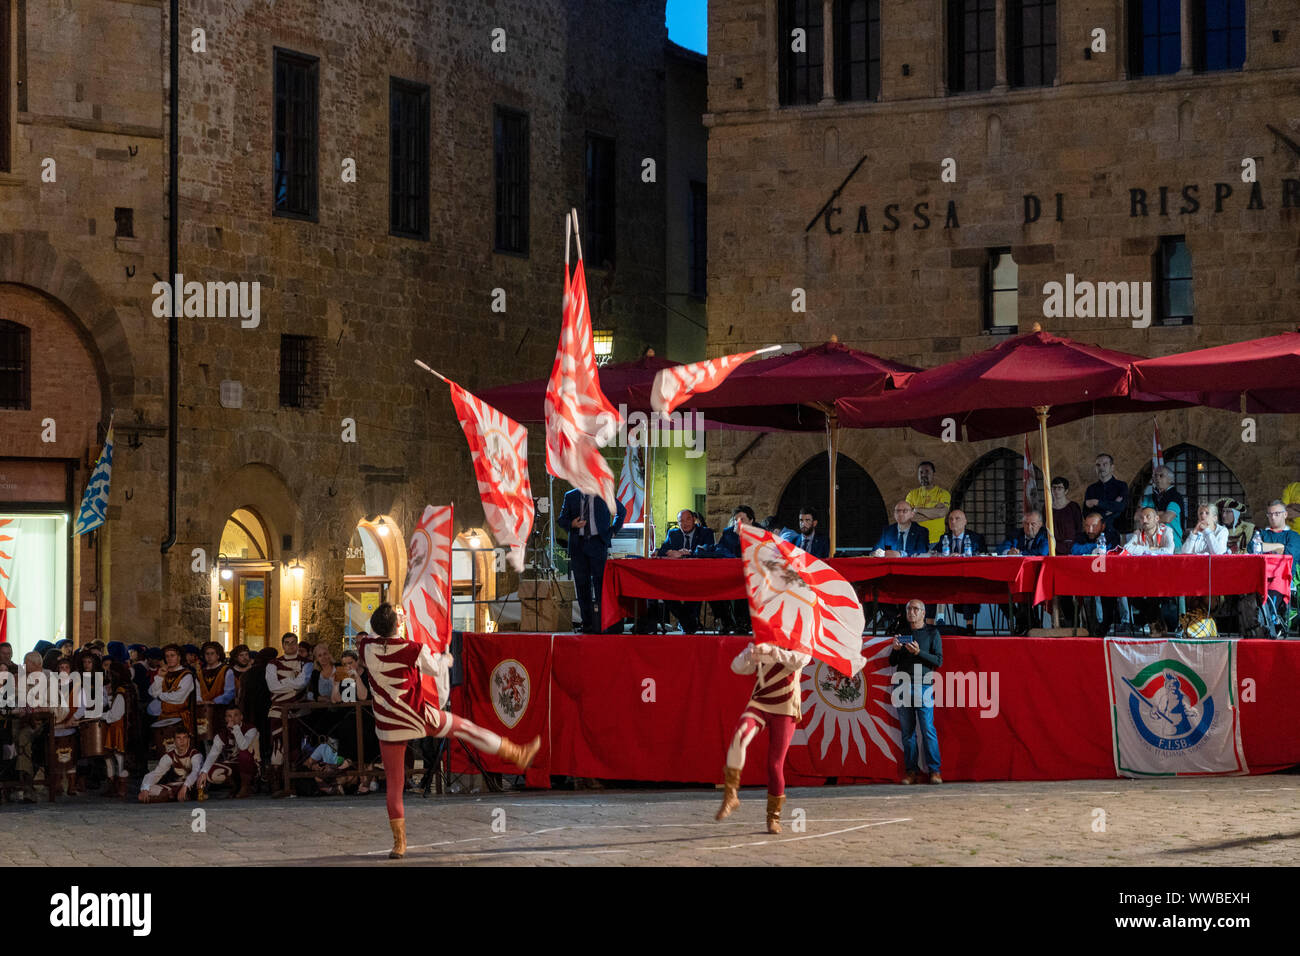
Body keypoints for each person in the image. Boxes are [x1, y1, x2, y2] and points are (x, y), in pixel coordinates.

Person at [361, 602, 539, 859]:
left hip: (388, 723)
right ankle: (514, 752)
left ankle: (399, 844)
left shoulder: (366, 646)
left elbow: (380, 634)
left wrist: (398, 620)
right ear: (397, 625)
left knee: (394, 785)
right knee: (466, 728)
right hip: (417, 716)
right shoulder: (412, 649)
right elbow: (434, 667)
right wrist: (445, 657)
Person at [714, 640, 812, 834]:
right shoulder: (763, 638)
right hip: (760, 703)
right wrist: (750, 655)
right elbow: (737, 667)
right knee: (739, 736)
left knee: (775, 764)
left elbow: (799, 661)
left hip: (786, 706)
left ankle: (773, 816)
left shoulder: (800, 637)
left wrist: (773, 652)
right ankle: (731, 793)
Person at [557, 487, 627, 633]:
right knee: (582, 586)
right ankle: (587, 623)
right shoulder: (570, 495)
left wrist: (613, 531)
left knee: (601, 586)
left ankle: (603, 622)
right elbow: (561, 519)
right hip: (578, 546)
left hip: (597, 544)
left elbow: (622, 511)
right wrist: (572, 524)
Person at [891, 599, 942, 785]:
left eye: (915, 609)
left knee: (928, 730)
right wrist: (895, 650)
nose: (911, 612)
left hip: (924, 685)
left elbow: (938, 661)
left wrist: (918, 652)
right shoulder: (902, 633)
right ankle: (911, 772)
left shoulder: (932, 633)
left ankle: (935, 771)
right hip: (902, 685)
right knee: (908, 733)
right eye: (908, 609)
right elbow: (892, 661)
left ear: (923, 613)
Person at [655, 509, 715, 633]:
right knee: (662, 590)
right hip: (676, 577)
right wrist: (668, 552)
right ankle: (689, 623)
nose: (685, 523)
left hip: (698, 577)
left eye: (688, 519)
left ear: (694, 519)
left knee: (695, 590)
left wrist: (687, 553)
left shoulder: (705, 532)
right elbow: (662, 550)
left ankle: (687, 624)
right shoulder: (673, 533)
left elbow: (709, 550)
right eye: (681, 521)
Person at [266, 632, 313, 777]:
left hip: (299, 711)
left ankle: (292, 779)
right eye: (287, 643)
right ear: (283, 645)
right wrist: (292, 680)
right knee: (278, 744)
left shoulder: (307, 663)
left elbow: (302, 683)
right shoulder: (273, 664)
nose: (291, 646)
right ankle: (277, 780)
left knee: (295, 744)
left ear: (297, 644)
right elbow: (272, 687)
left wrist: (284, 682)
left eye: (293, 642)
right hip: (277, 710)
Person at [1071, 511, 1124, 636]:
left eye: (1094, 526)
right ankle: (1083, 627)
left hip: (1108, 576)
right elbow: (1074, 549)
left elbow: (1110, 549)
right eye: (1087, 526)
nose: (1090, 530)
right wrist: (1095, 547)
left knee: (1108, 593)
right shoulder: (1080, 536)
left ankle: (1105, 625)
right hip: (1084, 576)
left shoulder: (1112, 534)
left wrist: (1092, 548)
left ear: (1102, 526)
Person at [931, 509, 985, 630]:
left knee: (967, 586)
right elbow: (935, 554)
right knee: (932, 585)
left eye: (957, 519)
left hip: (969, 577)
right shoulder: (944, 537)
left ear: (965, 521)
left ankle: (969, 626)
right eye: (951, 519)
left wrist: (961, 557)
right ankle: (932, 623)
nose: (953, 521)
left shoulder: (975, 537)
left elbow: (981, 554)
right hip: (947, 577)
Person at [198, 704, 258, 799]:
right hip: (234, 765)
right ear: (226, 719)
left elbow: (243, 746)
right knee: (210, 771)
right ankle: (235, 786)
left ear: (241, 717)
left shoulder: (251, 729)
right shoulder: (222, 734)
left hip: (251, 766)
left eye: (236, 715)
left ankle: (246, 787)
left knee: (243, 754)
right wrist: (204, 772)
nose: (232, 719)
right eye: (229, 716)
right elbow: (212, 754)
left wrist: (236, 728)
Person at [98, 661, 136, 798]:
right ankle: (115, 786)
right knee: (116, 757)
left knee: (120, 758)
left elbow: (115, 714)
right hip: (124, 727)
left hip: (120, 729)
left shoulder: (121, 693)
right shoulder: (129, 688)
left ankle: (121, 788)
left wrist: (99, 715)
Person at [147, 644, 195, 750]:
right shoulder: (165, 674)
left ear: (179, 657)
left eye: (172, 655)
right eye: (167, 656)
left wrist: (160, 696)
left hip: (180, 719)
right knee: (165, 750)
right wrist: (159, 677)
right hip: (164, 716)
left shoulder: (186, 675)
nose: (169, 658)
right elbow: (152, 691)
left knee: (181, 751)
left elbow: (178, 698)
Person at [138, 728, 202, 803]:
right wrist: (145, 788)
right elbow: (156, 773)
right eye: (179, 738)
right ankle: (172, 795)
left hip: (191, 786)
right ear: (174, 741)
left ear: (188, 740)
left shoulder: (195, 755)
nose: (182, 741)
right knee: (143, 794)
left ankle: (174, 795)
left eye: (185, 737)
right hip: (174, 786)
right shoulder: (169, 756)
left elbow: (195, 772)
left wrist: (185, 785)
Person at [195, 641, 235, 748]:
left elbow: (230, 692)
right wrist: (199, 700)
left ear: (218, 655)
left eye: (212, 653)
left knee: (221, 741)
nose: (209, 656)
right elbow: (197, 691)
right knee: (206, 740)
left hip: (222, 711)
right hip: (204, 711)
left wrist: (214, 701)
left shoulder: (226, 670)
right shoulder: (200, 673)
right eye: (207, 654)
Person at [1141, 465, 1186, 549]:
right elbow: (1138, 516)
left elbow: (1167, 518)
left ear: (1170, 480)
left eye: (1161, 475)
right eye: (1155, 475)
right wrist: (1161, 513)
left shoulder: (1175, 497)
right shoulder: (1150, 497)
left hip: (1173, 544)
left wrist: (1149, 515)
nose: (1157, 478)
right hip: (1151, 544)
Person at [906, 461, 950, 544]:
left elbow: (942, 513)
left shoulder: (943, 493)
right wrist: (934, 513)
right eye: (921, 472)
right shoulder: (911, 495)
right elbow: (908, 517)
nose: (923, 475)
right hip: (916, 541)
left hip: (937, 541)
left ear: (933, 474)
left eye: (927, 472)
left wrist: (917, 510)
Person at [1084, 454, 1128, 538]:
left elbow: (1121, 507)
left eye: (1105, 464)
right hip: (1096, 533)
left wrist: (1097, 502)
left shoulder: (1122, 486)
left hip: (1116, 532)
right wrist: (1111, 506)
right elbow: (1086, 514)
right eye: (1098, 465)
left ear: (1112, 467)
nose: (1101, 467)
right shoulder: (1091, 489)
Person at [1049, 477, 1083, 555]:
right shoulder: (1047, 507)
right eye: (1054, 488)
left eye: (1060, 488)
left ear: (1066, 491)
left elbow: (1079, 527)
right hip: (1053, 545)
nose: (1056, 491)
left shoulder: (1073, 507)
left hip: (1071, 545)